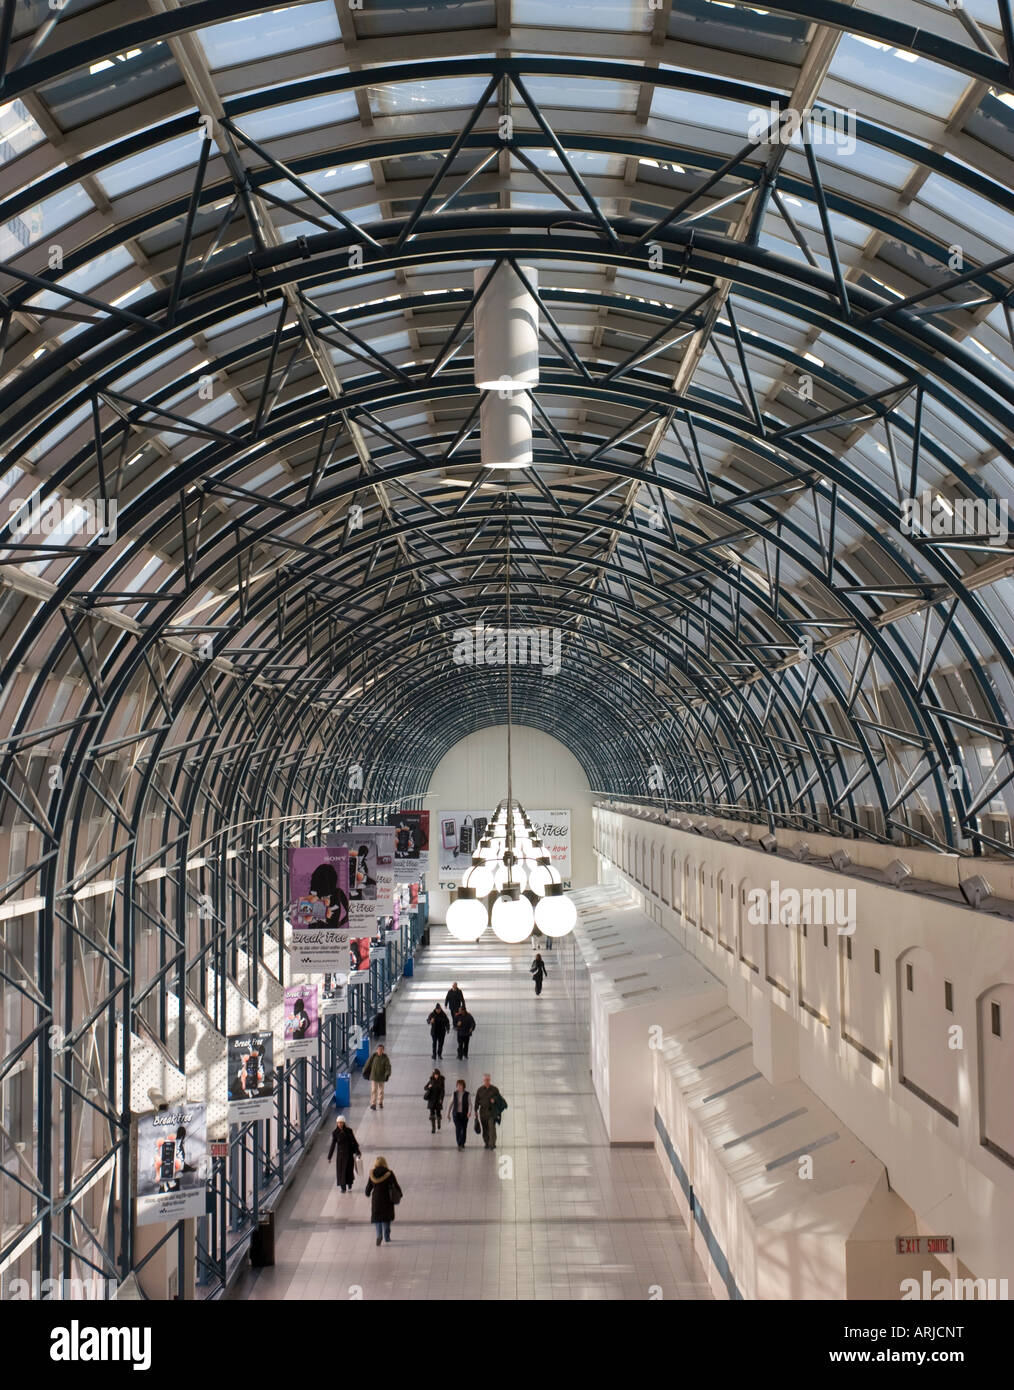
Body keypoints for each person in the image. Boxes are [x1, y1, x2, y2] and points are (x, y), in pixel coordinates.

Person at [365, 1155, 402, 1245]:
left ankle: (379, 1235)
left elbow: (368, 1189)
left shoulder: (372, 1173)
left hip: (376, 1200)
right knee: (386, 1218)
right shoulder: (389, 1173)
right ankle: (387, 1237)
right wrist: (400, 1194)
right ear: (385, 1163)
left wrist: (367, 1193)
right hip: (387, 1199)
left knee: (377, 1219)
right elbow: (395, 1185)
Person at [308, 862, 350, 930]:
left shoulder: (313, 894)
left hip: (315, 934)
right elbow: (349, 914)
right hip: (331, 933)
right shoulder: (338, 892)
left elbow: (307, 918)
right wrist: (339, 924)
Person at [326, 1115, 361, 1192]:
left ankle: (349, 1184)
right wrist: (329, 1157)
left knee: (349, 1170)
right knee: (341, 1172)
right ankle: (343, 1187)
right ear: (337, 1123)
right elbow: (333, 1145)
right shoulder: (335, 1133)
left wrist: (358, 1152)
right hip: (341, 1156)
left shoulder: (349, 1131)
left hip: (349, 1154)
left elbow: (354, 1142)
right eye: (338, 1123)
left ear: (344, 1123)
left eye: (341, 1123)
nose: (340, 1124)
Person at [475, 1074, 506, 1150]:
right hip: (483, 1113)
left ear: (490, 1080)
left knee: (492, 1128)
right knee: (485, 1128)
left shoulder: (494, 1089)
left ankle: (492, 1143)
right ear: (483, 1080)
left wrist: (494, 1100)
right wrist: (475, 1110)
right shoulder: (480, 1090)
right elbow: (476, 1101)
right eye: (485, 1080)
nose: (487, 1081)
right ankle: (486, 1142)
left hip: (492, 1113)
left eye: (488, 1080)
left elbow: (499, 1098)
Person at [363, 1042, 391, 1109]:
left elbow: (388, 1067)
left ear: (383, 1050)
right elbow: (368, 1063)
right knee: (373, 1090)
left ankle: (380, 1102)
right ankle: (373, 1104)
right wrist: (364, 1071)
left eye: (381, 1049)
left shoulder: (385, 1058)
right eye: (378, 1049)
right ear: (377, 1050)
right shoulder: (373, 1056)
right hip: (374, 1076)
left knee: (381, 1091)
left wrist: (387, 1074)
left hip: (381, 1077)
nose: (379, 1051)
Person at [447, 1079, 470, 1149]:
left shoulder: (467, 1094)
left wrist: (469, 1112)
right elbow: (450, 1104)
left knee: (464, 1128)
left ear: (464, 1086)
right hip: (456, 1115)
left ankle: (463, 1142)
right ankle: (459, 1143)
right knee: (458, 1128)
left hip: (464, 1115)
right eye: (458, 1086)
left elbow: (470, 1104)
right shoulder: (454, 1094)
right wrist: (447, 1114)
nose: (459, 1087)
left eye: (461, 1086)